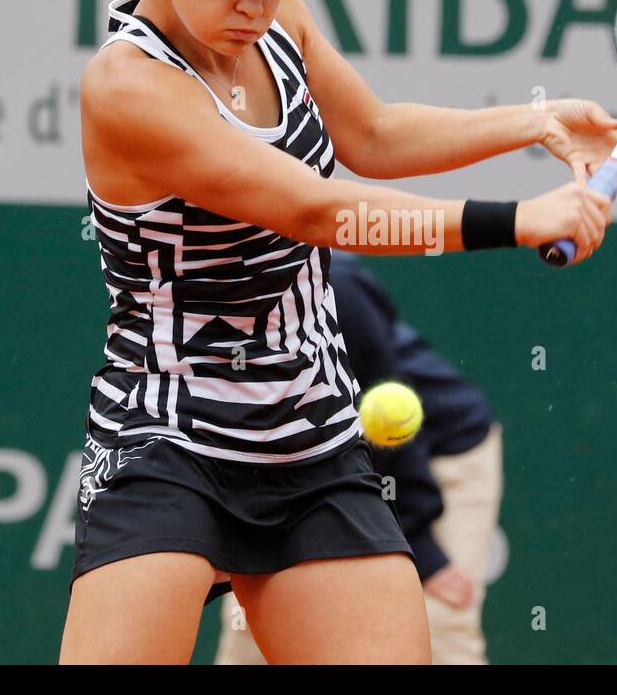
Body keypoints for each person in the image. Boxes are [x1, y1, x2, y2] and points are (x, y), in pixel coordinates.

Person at [59, 0, 617, 665]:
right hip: (167, 442)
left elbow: (374, 137)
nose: (256, 2)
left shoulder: (283, 21)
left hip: (310, 437)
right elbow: (314, 208)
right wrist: (518, 217)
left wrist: (535, 119)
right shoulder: (127, 86)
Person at [215, 250, 504, 664]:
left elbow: (394, 423)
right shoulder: (190, 295)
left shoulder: (339, 286)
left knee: (437, 619)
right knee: (250, 624)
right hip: (300, 461)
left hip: (434, 456)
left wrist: (423, 548)